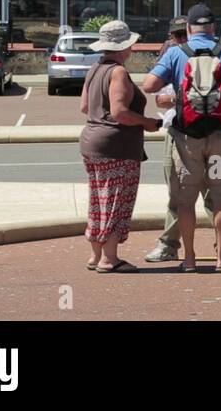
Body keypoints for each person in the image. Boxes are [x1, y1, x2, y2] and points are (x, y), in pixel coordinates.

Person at [142, 3, 221, 273]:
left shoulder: (177, 53)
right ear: (213, 28)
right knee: (220, 198)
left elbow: (149, 86)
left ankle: (189, 259)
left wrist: (177, 92)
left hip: (187, 139)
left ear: (189, 29)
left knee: (185, 200)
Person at [79, 20, 163, 273]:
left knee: (98, 200)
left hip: (92, 141)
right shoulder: (117, 72)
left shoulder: (95, 68)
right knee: (116, 200)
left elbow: (84, 106)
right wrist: (148, 122)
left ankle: (96, 255)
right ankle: (109, 258)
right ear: (124, 47)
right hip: (116, 145)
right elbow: (120, 113)